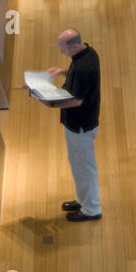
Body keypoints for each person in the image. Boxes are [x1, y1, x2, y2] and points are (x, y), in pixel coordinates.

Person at [43, 29, 102, 222]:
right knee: (79, 166)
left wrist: (50, 103)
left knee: (84, 168)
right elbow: (79, 77)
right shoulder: (88, 53)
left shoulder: (84, 66)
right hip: (80, 125)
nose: (61, 52)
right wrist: (62, 71)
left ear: (74, 46)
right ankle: (83, 200)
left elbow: (76, 100)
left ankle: (91, 209)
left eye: (63, 49)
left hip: (80, 126)